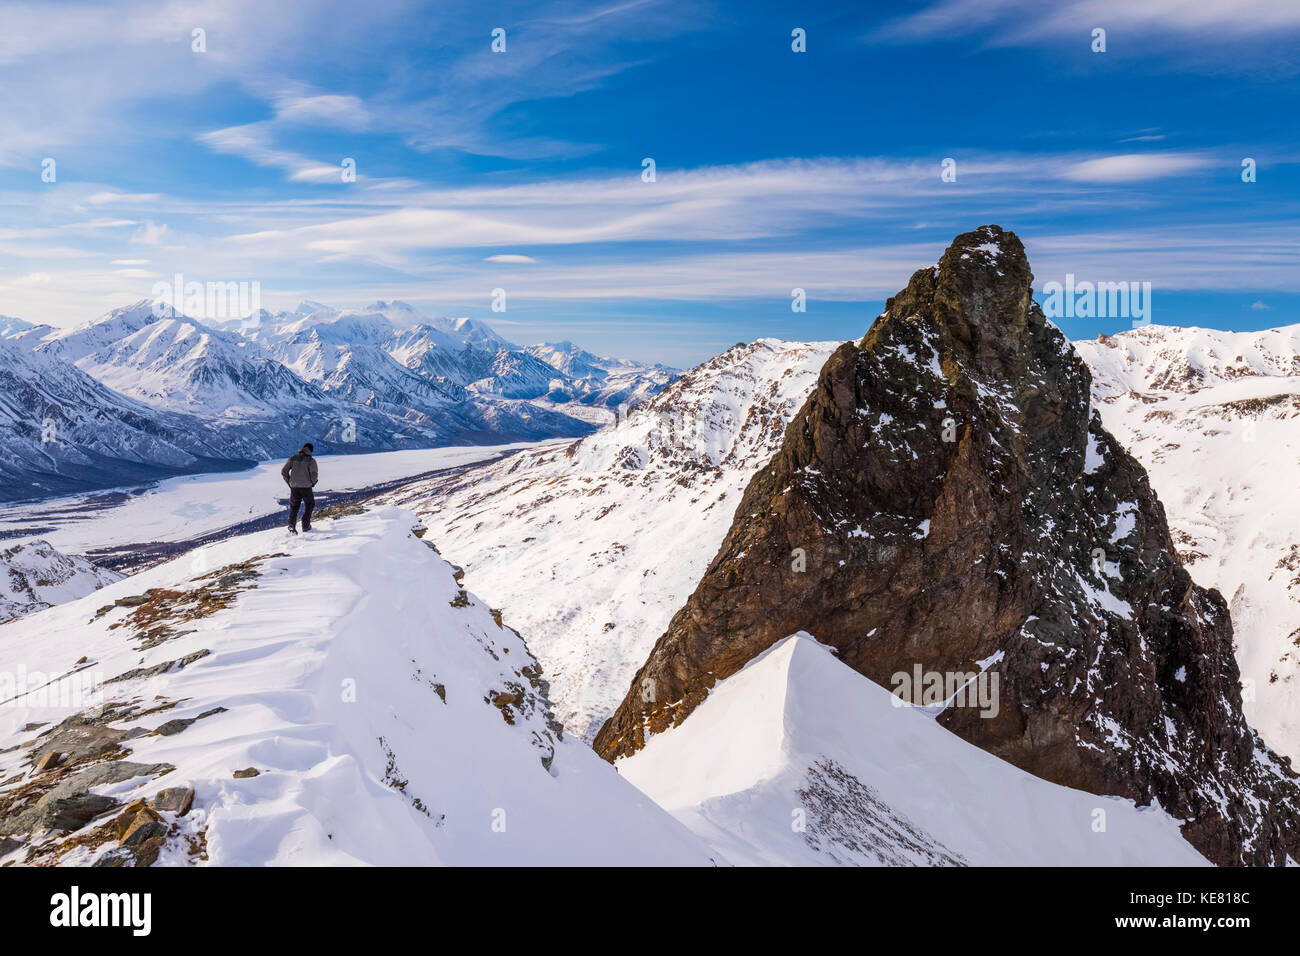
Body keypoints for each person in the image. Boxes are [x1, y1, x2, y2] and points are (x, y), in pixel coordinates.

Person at [281, 443, 318, 533]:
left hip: (294, 487)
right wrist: (313, 483)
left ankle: (291, 525)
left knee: (294, 507)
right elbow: (314, 474)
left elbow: (284, 471)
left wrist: (290, 482)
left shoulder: (293, 458)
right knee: (310, 505)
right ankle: (305, 525)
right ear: (311, 451)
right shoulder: (311, 461)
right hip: (306, 487)